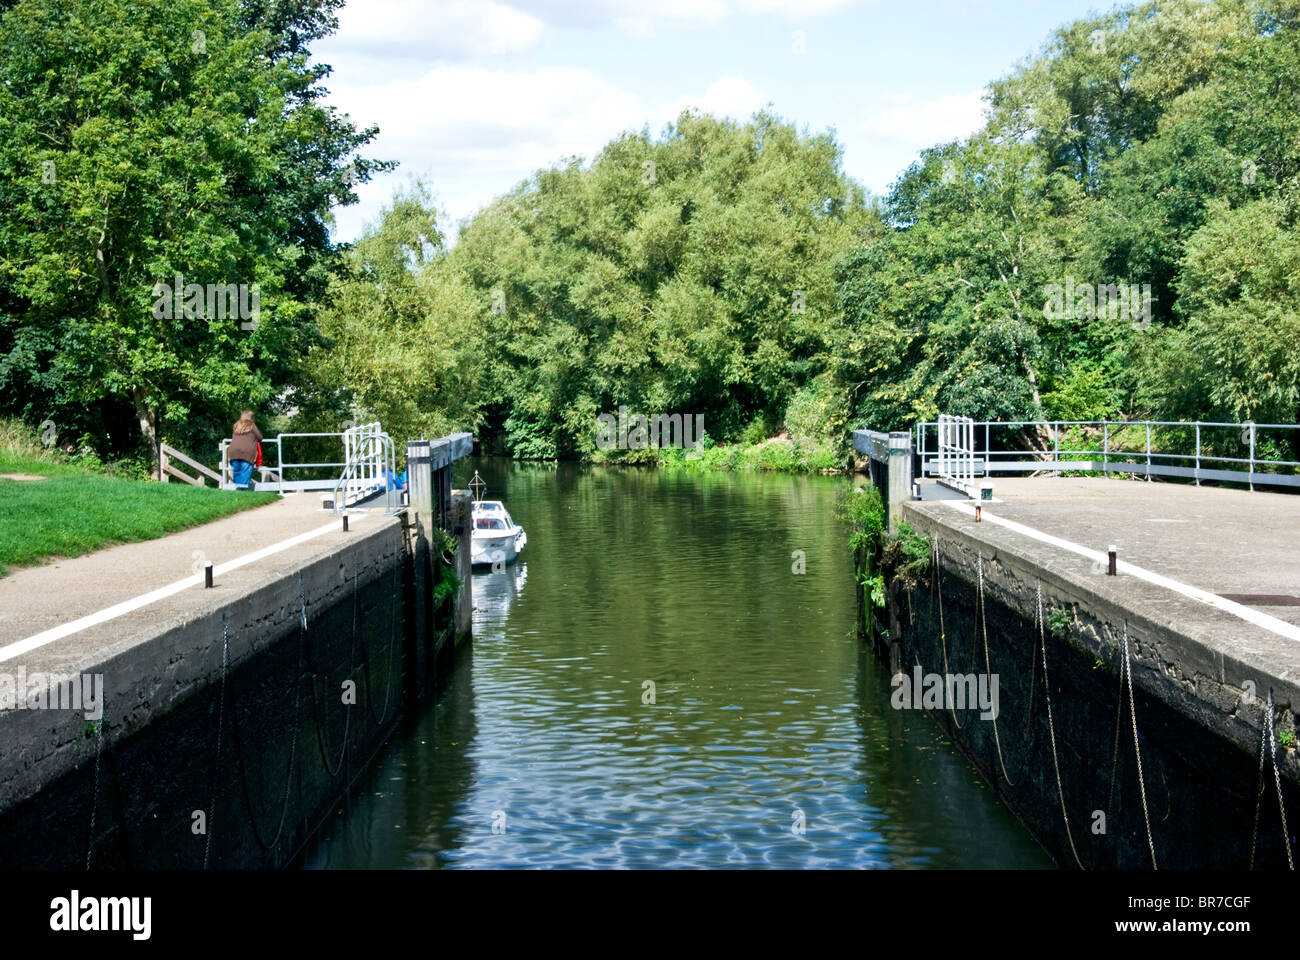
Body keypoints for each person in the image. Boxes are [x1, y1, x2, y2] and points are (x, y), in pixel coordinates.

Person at [227, 410, 263, 490]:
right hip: (247, 453)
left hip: (234, 452)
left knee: (237, 473)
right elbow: (260, 437)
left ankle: (238, 491)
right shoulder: (251, 425)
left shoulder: (236, 425)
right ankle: (242, 491)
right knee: (245, 472)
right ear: (251, 417)